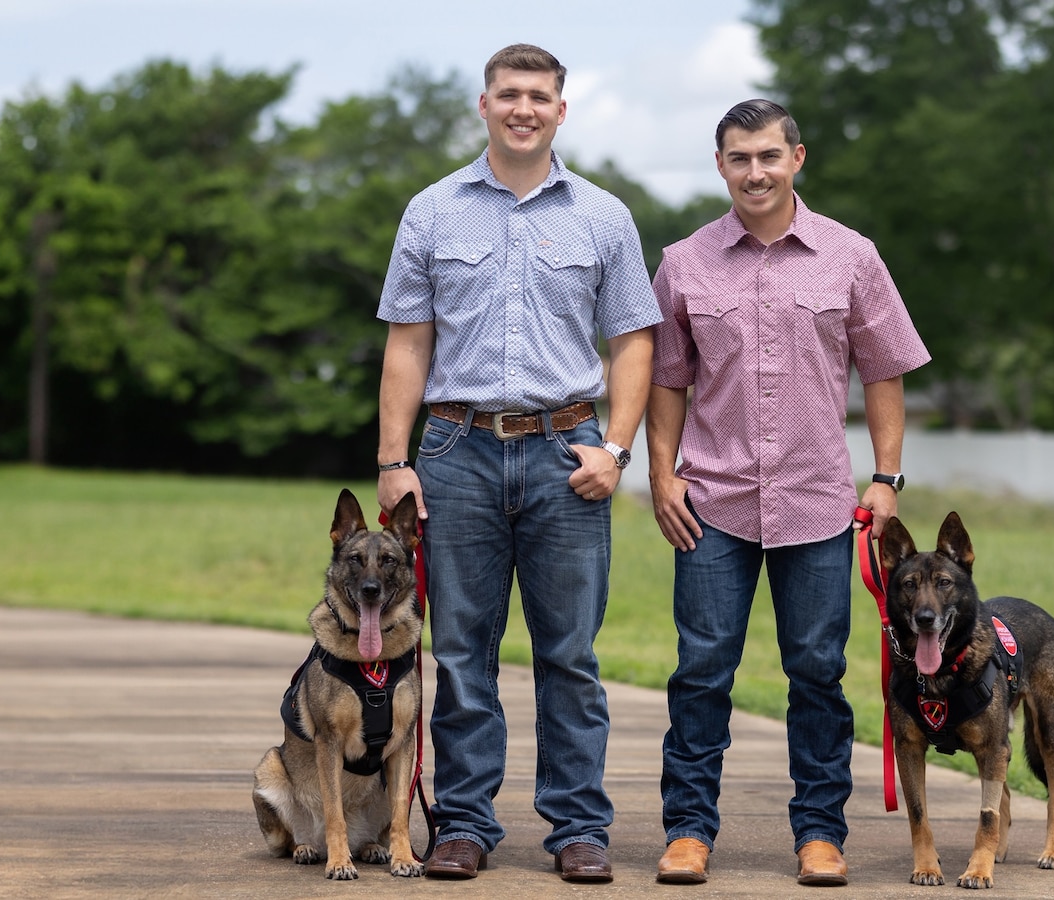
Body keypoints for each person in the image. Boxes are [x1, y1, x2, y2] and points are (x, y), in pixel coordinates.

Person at [373, 43, 661, 884]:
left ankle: (579, 828)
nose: (523, 108)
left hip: (566, 453)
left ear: (560, 111)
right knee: (463, 653)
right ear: (485, 105)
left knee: (570, 655)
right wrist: (393, 459)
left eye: (539, 96)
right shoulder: (432, 211)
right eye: (508, 94)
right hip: (454, 451)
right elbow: (407, 343)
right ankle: (465, 824)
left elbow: (634, 342)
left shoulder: (603, 216)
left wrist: (618, 450)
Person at [645, 99, 931, 887]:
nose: (755, 172)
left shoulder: (851, 256)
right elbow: (667, 379)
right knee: (702, 670)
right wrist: (662, 473)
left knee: (816, 672)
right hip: (713, 502)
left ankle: (820, 834)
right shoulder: (684, 263)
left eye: (768, 155)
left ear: (796, 158)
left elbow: (885, 370)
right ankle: (688, 831)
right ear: (720, 166)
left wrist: (886, 478)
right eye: (739, 158)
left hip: (816, 501)